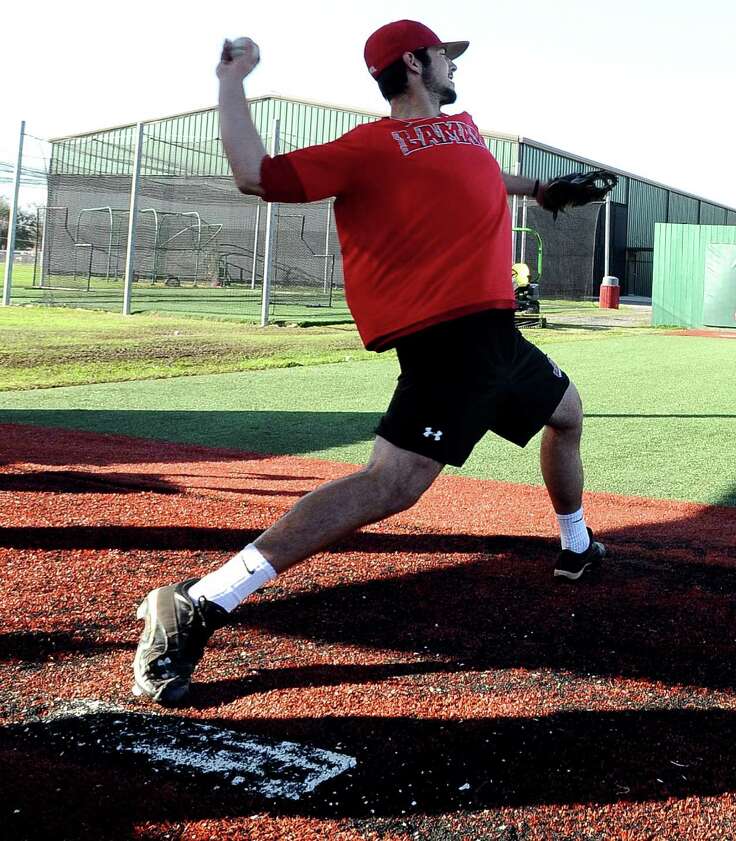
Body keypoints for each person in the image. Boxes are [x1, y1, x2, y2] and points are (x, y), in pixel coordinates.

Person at [132, 20, 607, 706]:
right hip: (446, 342)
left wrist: (541, 189)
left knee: (567, 412)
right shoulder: (366, 149)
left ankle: (577, 545)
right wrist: (231, 82)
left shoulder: (463, 129)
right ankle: (200, 600)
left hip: (497, 336)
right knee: (392, 484)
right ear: (415, 63)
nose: (453, 64)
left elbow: (479, 171)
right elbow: (253, 176)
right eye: (444, 55)